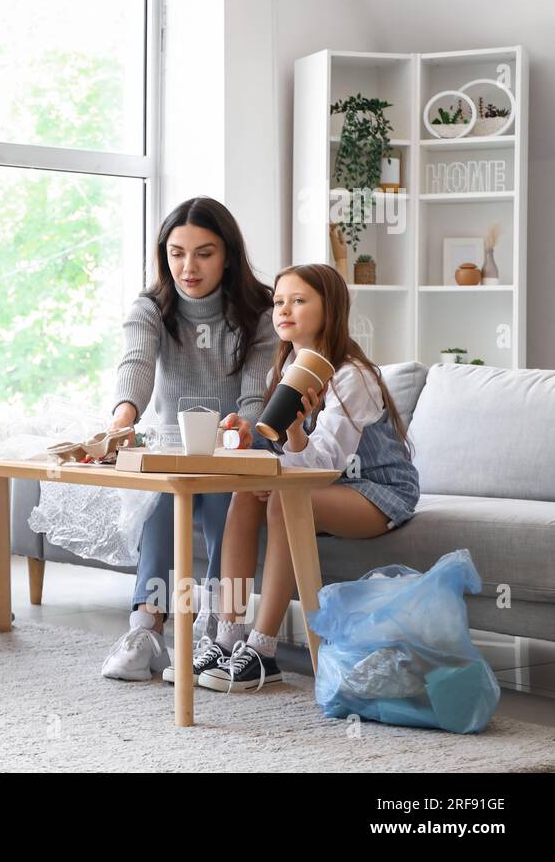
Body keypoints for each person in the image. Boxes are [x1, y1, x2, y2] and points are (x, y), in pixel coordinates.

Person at [202, 263, 420, 692]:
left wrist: (297, 429)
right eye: (279, 301)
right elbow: (281, 457)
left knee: (287, 499)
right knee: (246, 493)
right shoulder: (283, 371)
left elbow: (323, 468)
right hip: (326, 484)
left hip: (377, 491)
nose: (284, 310)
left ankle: (263, 652)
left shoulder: (350, 376)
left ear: (330, 309)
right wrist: (247, 438)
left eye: (299, 301)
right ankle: (228, 637)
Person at [97, 196, 277, 682]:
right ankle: (146, 629)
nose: (187, 266)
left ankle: (219, 631)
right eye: (177, 253)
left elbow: (257, 395)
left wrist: (242, 427)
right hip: (172, 447)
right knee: (160, 499)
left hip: (237, 446)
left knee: (225, 497)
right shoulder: (152, 307)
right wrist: (123, 418)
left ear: (228, 256)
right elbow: (135, 365)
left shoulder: (260, 312)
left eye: (204, 253)